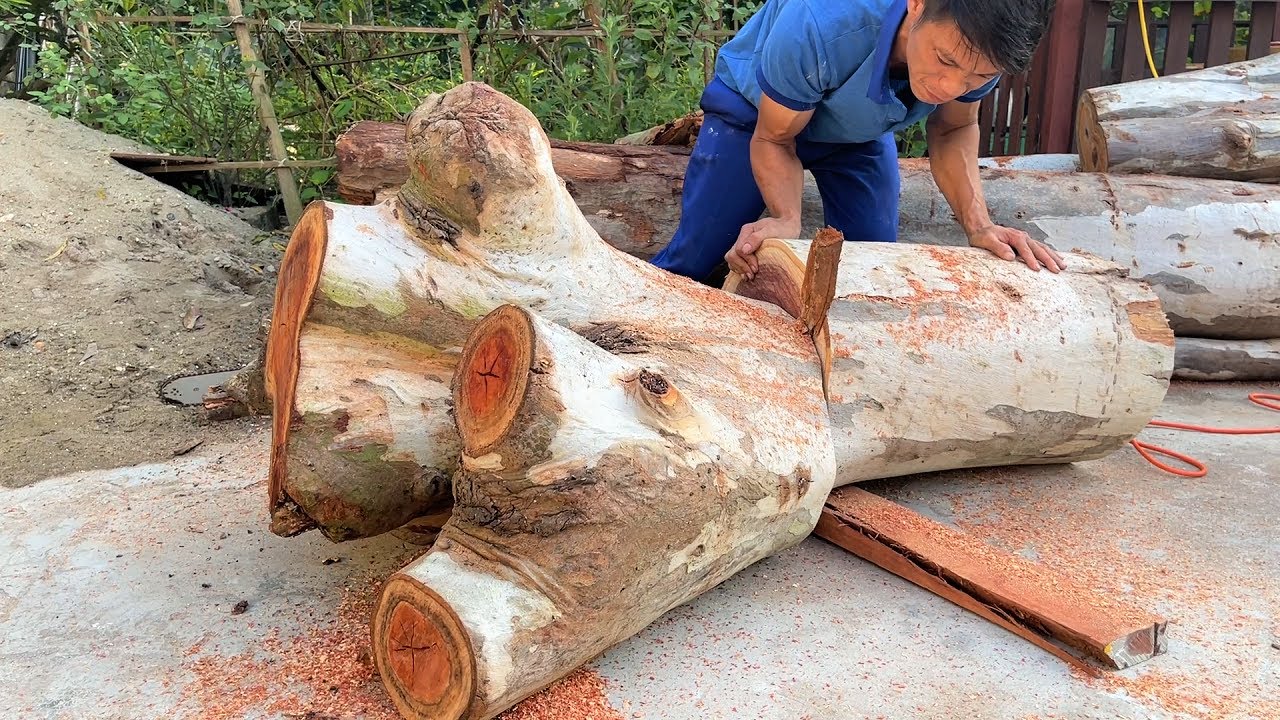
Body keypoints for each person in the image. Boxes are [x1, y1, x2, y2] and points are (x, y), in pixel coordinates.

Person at [649, 0, 1063, 283]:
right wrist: (786, 216)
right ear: (917, 3)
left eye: (976, 77)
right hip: (755, 115)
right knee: (696, 257)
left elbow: (953, 129)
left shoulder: (981, 48)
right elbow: (775, 139)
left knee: (871, 271)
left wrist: (980, 225)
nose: (949, 87)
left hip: (857, 132)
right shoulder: (819, 21)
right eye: (945, 59)